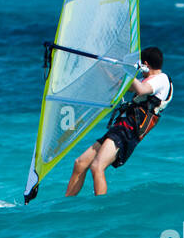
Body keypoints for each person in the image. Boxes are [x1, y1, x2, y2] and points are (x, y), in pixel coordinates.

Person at [65, 46, 173, 197]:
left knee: (97, 167)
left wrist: (128, 72)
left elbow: (141, 90)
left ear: (146, 64)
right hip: (121, 127)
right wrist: (103, 67)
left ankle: (100, 210)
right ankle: (66, 204)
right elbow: (120, 85)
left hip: (129, 131)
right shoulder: (146, 79)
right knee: (80, 163)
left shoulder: (161, 80)